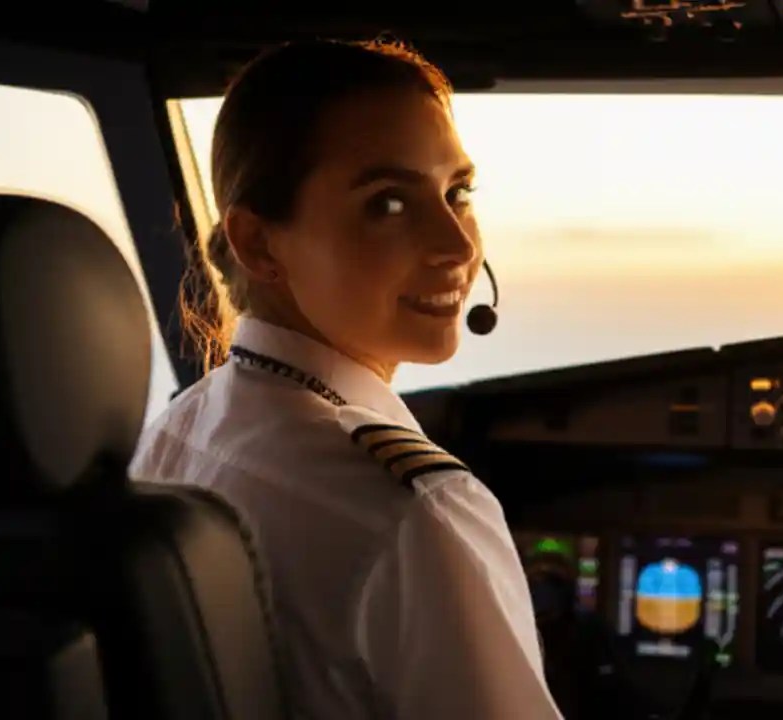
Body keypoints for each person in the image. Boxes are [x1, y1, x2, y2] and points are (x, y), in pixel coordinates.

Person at [130, 39, 563, 720]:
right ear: (259, 243)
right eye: (388, 204)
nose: (456, 245)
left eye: (458, 192)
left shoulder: (178, 434)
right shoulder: (416, 515)